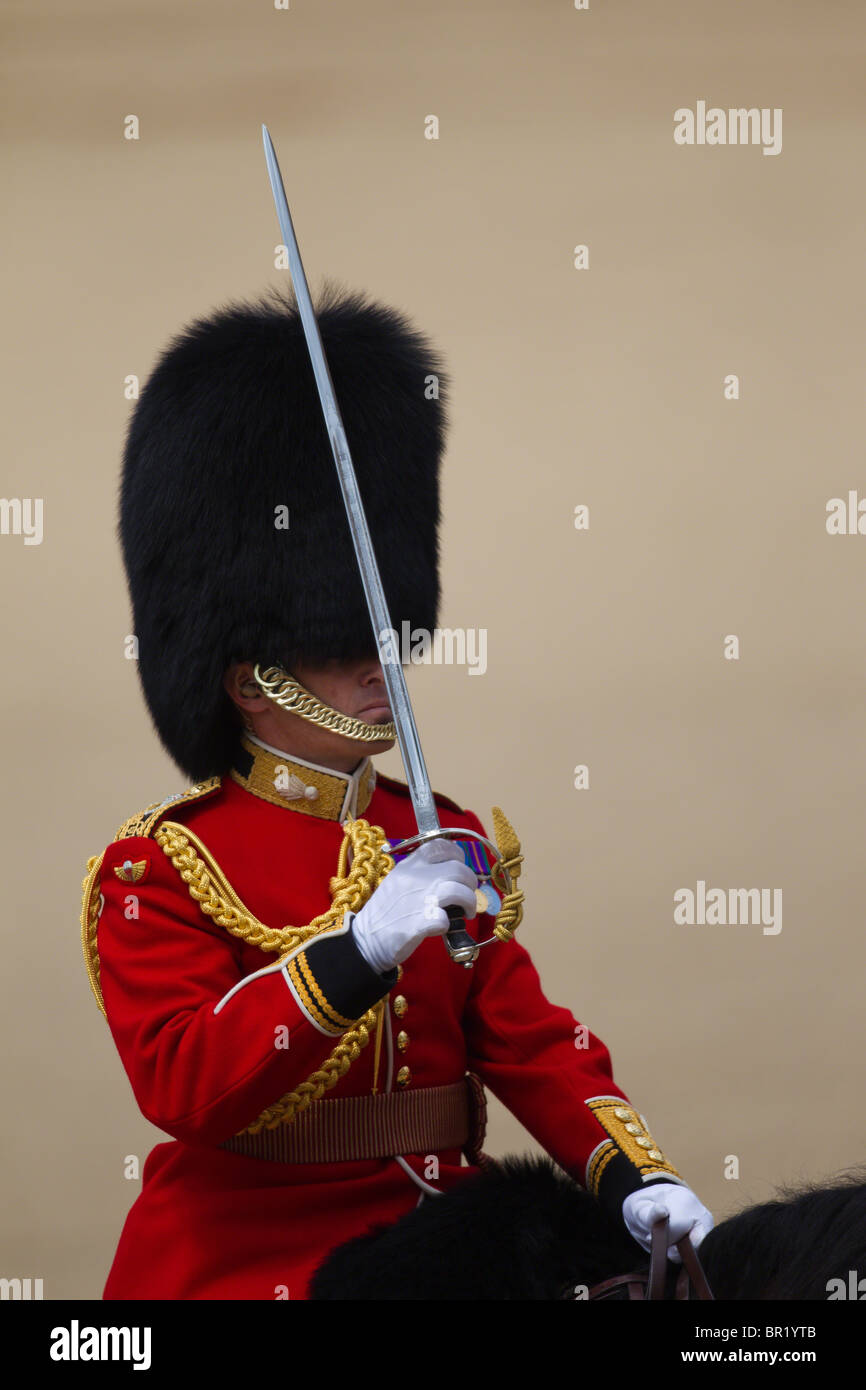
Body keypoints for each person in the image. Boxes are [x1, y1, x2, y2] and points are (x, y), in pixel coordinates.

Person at [81, 284, 712, 1300]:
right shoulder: (160, 867)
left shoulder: (442, 837)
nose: (384, 667)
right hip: (250, 1261)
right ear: (252, 680)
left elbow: (529, 1039)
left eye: (387, 639)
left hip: (448, 1237)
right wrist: (361, 947)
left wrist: (635, 1175)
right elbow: (187, 1082)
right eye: (344, 649)